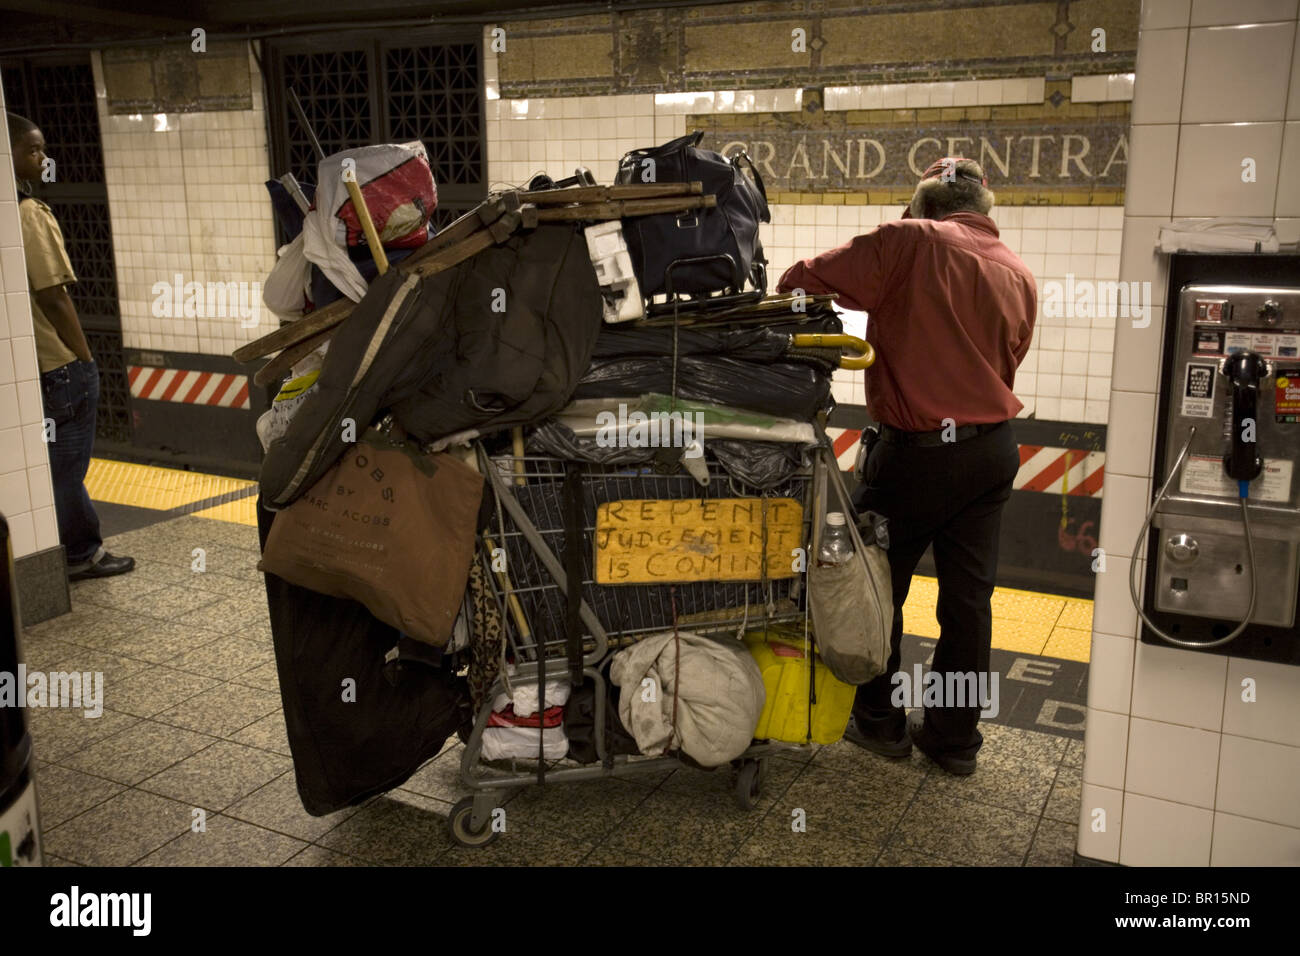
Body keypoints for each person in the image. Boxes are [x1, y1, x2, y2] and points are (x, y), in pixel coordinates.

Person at [777, 157, 1035, 774]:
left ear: (921, 206)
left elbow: (797, 280)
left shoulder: (909, 242)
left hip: (917, 455)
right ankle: (953, 741)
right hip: (992, 450)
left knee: (873, 585)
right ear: (983, 206)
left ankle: (879, 721)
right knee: (969, 604)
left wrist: (897, 246)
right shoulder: (1017, 271)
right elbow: (1009, 358)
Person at [8, 112, 134, 581]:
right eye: (33, 149)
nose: (44, 158)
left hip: (28, 366)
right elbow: (53, 295)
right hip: (58, 365)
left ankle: (77, 549)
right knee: (65, 468)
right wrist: (85, 358)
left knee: (55, 466)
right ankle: (79, 554)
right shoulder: (27, 215)